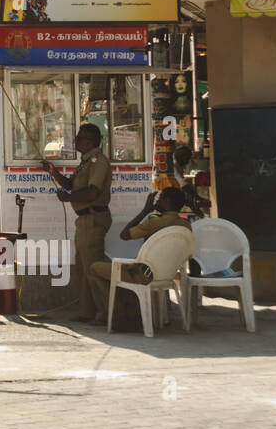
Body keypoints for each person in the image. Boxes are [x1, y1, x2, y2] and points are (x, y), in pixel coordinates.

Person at [88, 187, 190, 328]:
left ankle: (115, 314)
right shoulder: (186, 226)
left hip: (144, 275)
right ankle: (129, 312)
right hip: (168, 276)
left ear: (166, 202)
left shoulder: (155, 222)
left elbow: (124, 235)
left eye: (159, 199)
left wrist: (145, 210)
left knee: (94, 268)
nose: (157, 202)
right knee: (124, 270)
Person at [42, 123, 112, 325]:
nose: (76, 142)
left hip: (93, 218)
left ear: (89, 142)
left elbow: (93, 192)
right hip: (84, 220)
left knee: (94, 268)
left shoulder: (98, 162)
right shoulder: (86, 162)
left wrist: (69, 197)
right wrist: (53, 172)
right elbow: (71, 184)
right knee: (84, 268)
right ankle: (88, 311)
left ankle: (106, 313)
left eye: (79, 138)